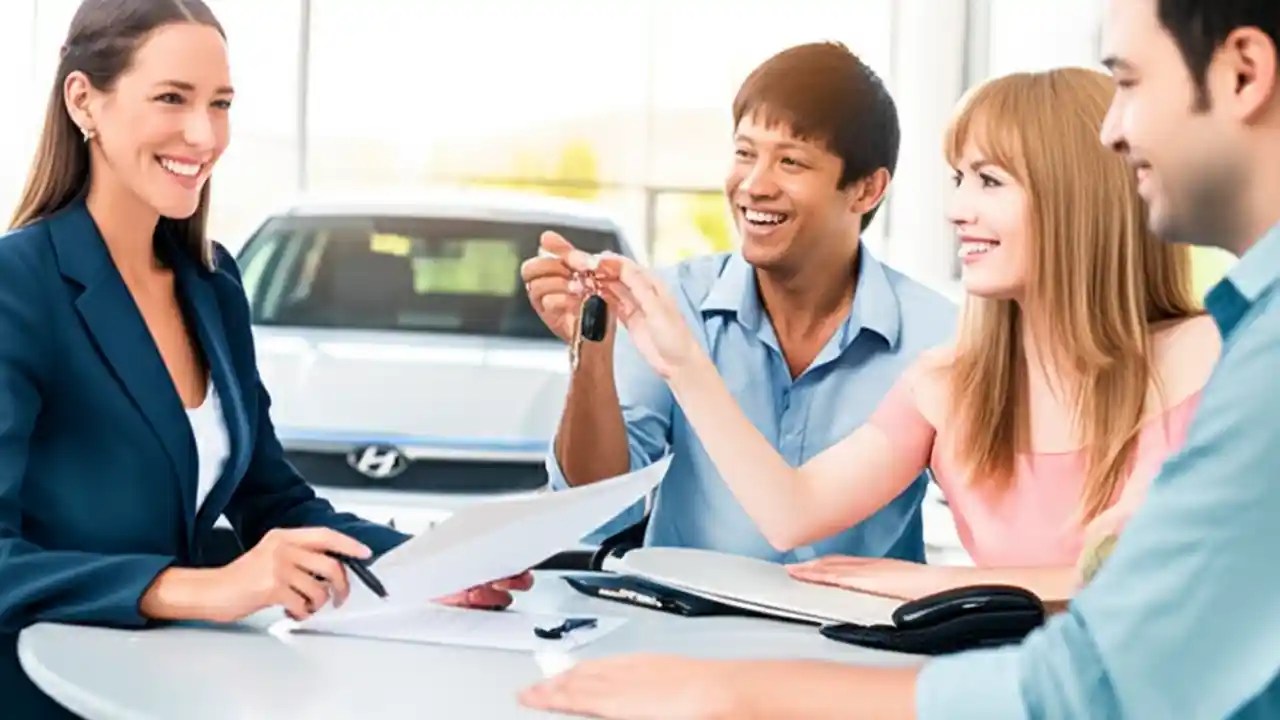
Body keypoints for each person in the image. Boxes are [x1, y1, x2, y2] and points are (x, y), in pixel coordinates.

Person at [519, 0, 1280, 717]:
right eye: (957, 180)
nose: (954, 208)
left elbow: (1120, 591)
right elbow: (790, 510)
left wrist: (941, 584)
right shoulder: (954, 379)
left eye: (987, 181)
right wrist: (679, 358)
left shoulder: (1226, 354)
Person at [0, 2, 529, 717]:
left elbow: (274, 502)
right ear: (83, 101)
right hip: (43, 686)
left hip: (164, 683)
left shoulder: (210, 284)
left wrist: (429, 568)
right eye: (172, 99)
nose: (205, 134)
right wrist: (205, 588)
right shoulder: (20, 284)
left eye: (220, 104)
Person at [522, 41, 957, 565]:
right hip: (679, 632)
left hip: (858, 640)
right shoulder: (672, 304)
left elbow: (995, 516)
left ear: (866, 190)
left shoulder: (938, 337)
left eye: (790, 162)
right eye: (745, 153)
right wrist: (590, 351)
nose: (753, 186)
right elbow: (594, 510)